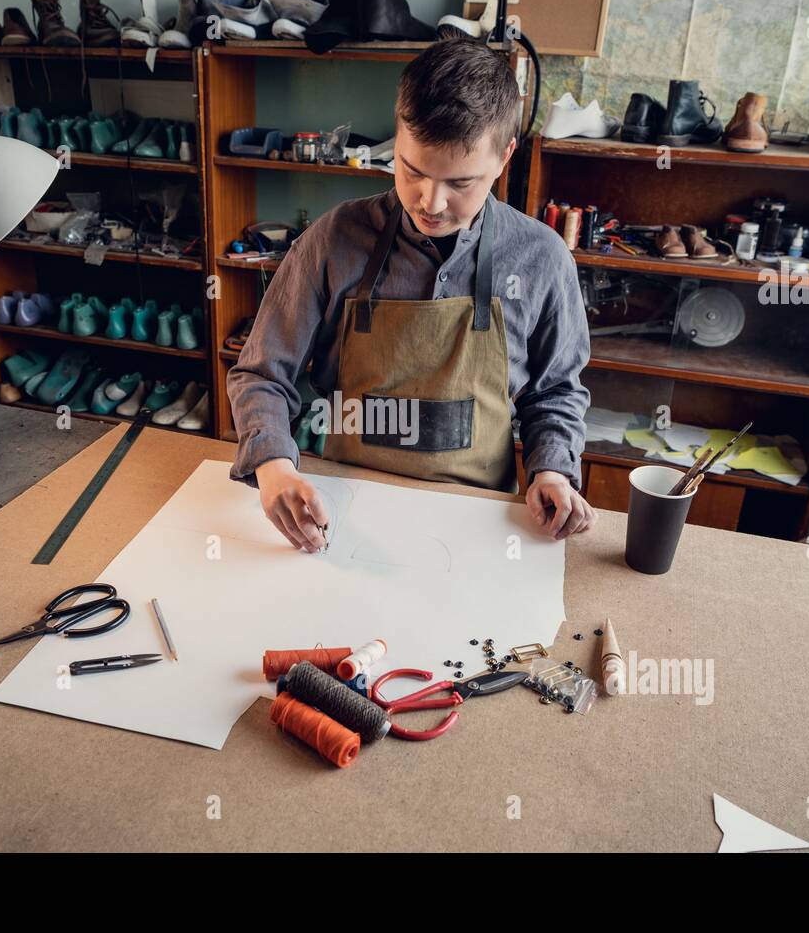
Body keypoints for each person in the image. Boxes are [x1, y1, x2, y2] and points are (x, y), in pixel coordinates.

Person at [227, 38, 595, 553]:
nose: (431, 202)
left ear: (504, 157)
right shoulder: (335, 239)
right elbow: (262, 373)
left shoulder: (542, 258)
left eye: (460, 182)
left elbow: (555, 392)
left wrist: (551, 470)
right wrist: (273, 466)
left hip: (479, 523)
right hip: (344, 513)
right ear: (397, 137)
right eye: (412, 170)